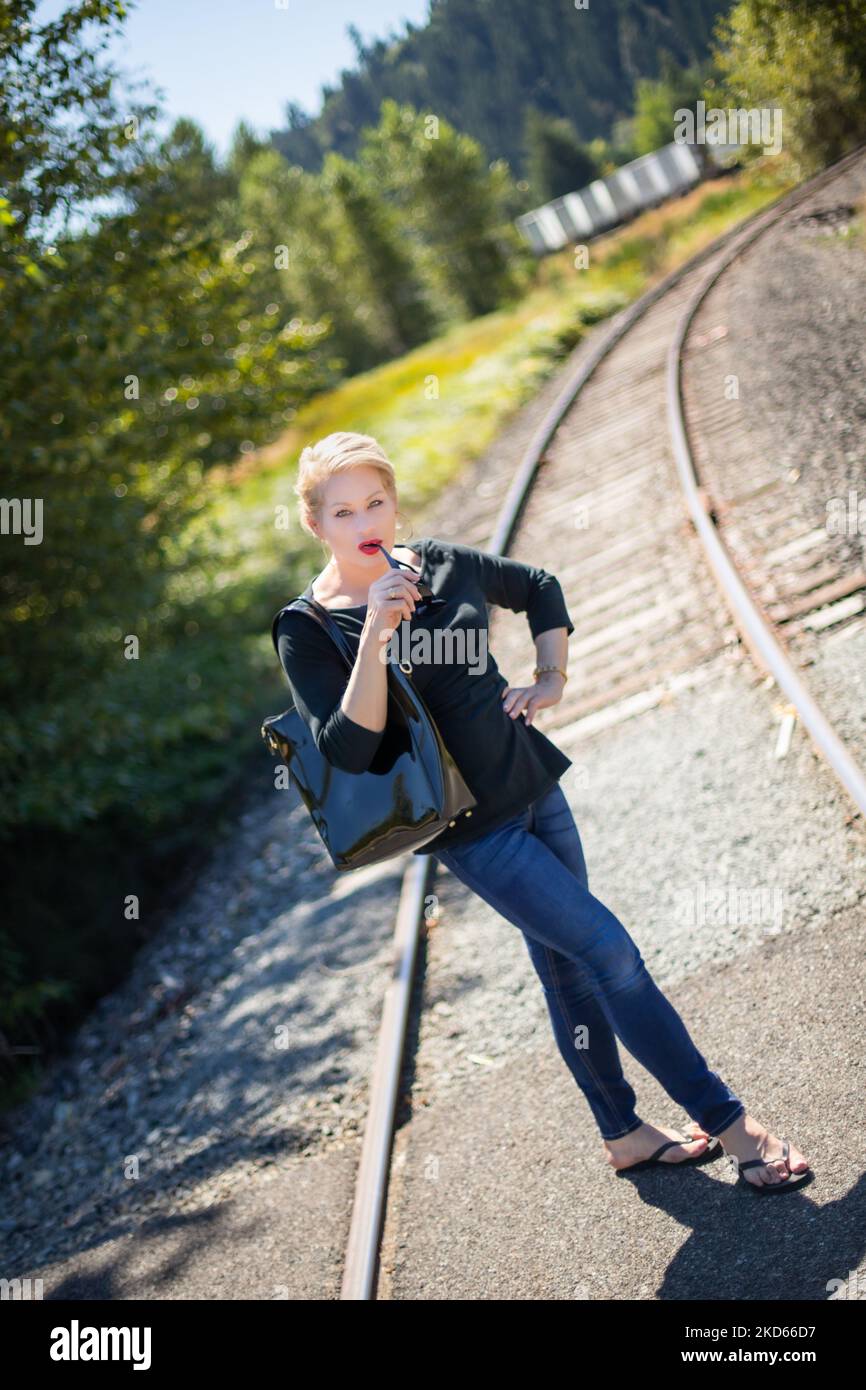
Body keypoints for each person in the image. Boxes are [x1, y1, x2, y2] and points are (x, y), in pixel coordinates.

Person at [274, 430, 812, 1192]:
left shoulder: (442, 563)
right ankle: (733, 1123)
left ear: (394, 502)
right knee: (612, 954)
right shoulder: (309, 627)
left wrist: (550, 676)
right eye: (343, 510)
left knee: (570, 970)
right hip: (473, 831)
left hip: (534, 788)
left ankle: (623, 1134)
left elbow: (539, 587)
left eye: (377, 500)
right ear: (316, 524)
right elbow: (348, 750)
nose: (366, 520)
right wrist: (375, 642)